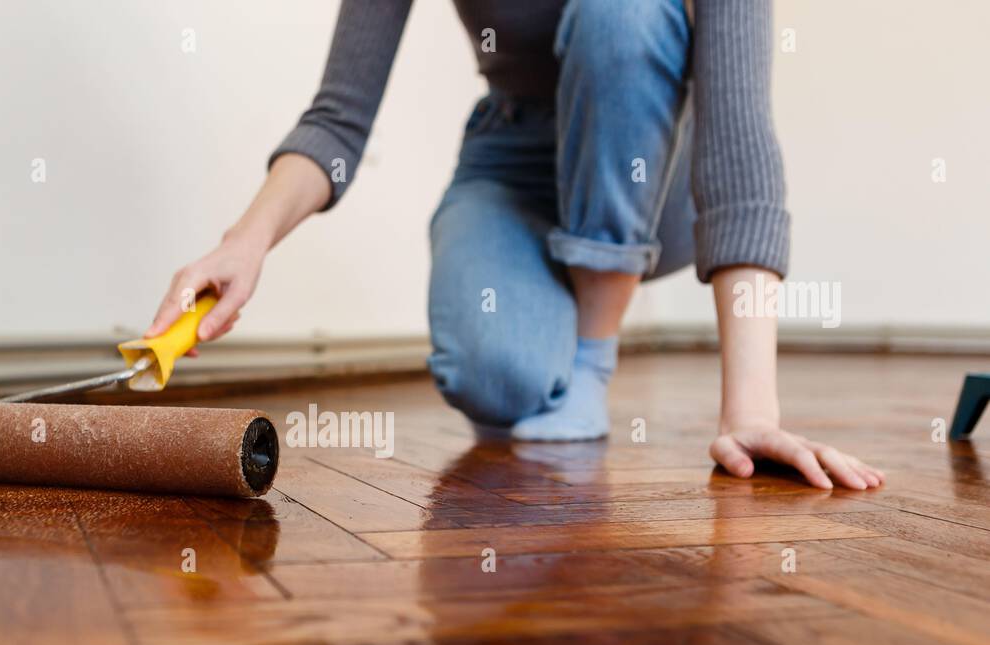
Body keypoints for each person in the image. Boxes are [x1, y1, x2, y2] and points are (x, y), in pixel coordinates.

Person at [147, 0, 884, 490]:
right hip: (511, 161)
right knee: (492, 379)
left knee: (622, 12)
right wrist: (246, 242)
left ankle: (593, 349)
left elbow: (738, 137)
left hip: (652, 183)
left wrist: (751, 410)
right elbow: (339, 122)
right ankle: (548, 310)